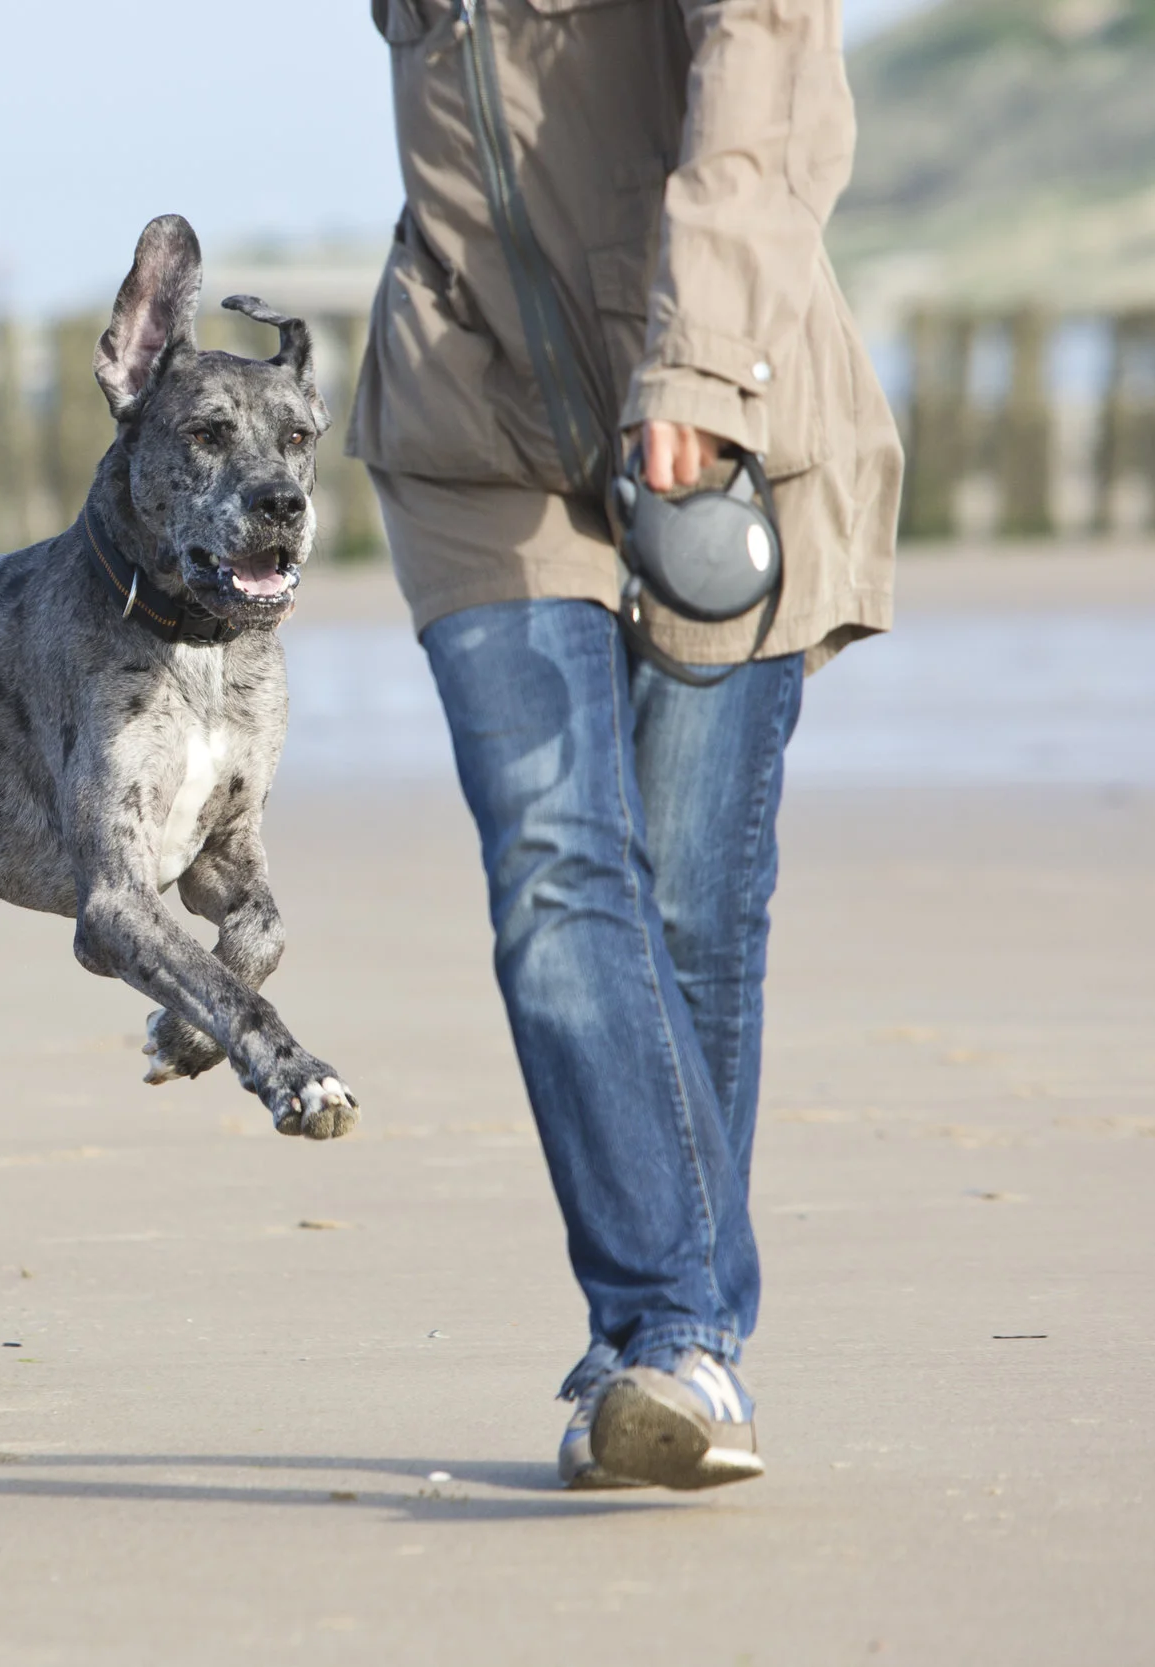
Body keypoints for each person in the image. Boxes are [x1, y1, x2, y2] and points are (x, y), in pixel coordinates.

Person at [350, 0, 902, 1490]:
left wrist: (702, 366)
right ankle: (668, 1328)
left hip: (728, 405)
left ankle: (671, 1348)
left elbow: (769, 65)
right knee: (552, 867)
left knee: (685, 913)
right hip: (472, 420)